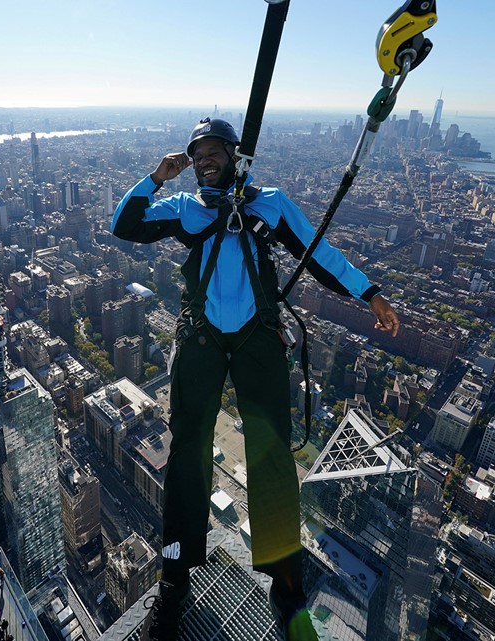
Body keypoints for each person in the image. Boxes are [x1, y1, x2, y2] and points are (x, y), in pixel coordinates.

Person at [111, 118, 399, 640]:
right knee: (187, 456)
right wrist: (155, 176)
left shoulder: (270, 203)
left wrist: (369, 292)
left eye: (212, 150)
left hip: (257, 337)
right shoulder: (186, 208)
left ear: (234, 154)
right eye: (196, 154)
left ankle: (287, 592)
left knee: (272, 458)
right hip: (200, 335)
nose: (202, 160)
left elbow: (317, 255)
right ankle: (175, 583)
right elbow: (124, 225)